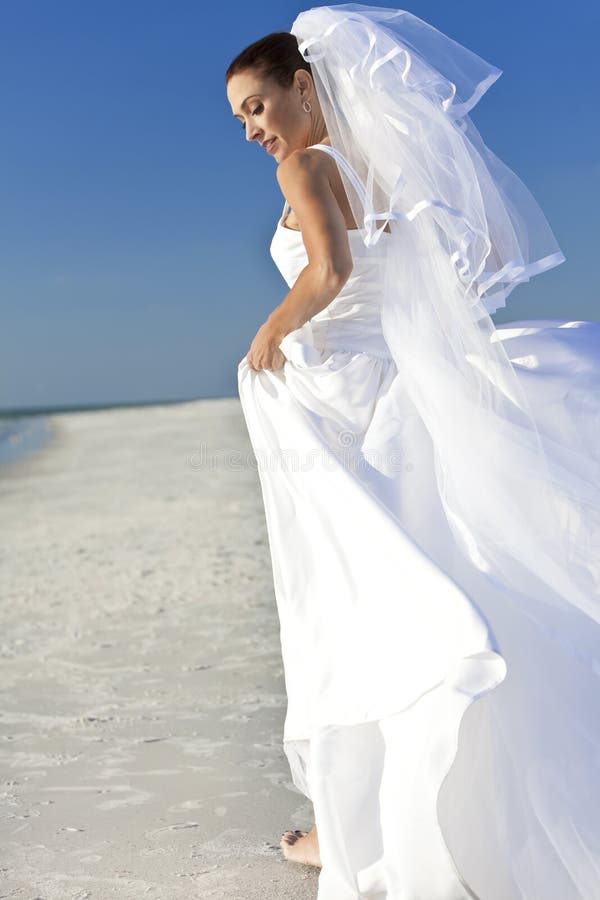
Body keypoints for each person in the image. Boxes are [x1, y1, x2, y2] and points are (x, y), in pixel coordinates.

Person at [226, 6, 600, 899]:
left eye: (257, 105)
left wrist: (266, 336)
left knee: (355, 601)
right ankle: (373, 807)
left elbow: (331, 272)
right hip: (394, 393)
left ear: (305, 87)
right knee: (412, 586)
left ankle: (351, 820)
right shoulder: (387, 171)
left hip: (344, 404)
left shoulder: (306, 163)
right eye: (241, 118)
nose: (253, 128)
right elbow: (478, 253)